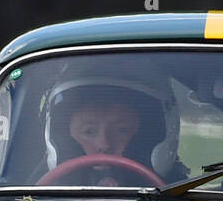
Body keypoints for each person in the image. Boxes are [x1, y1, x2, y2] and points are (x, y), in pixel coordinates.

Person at [38, 69, 189, 185]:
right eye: (88, 131)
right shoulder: (33, 197)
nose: (104, 144)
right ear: (64, 134)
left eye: (122, 130)